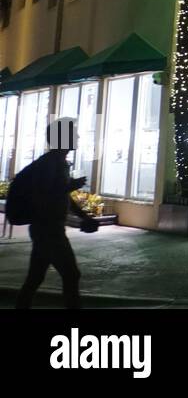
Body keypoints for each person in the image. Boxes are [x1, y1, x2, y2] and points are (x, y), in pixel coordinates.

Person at [15, 118, 99, 309]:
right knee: (71, 274)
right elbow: (49, 193)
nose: (77, 137)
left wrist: (84, 215)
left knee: (35, 278)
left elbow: (61, 194)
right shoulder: (52, 163)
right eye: (74, 134)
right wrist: (69, 187)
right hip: (48, 229)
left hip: (45, 228)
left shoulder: (55, 162)